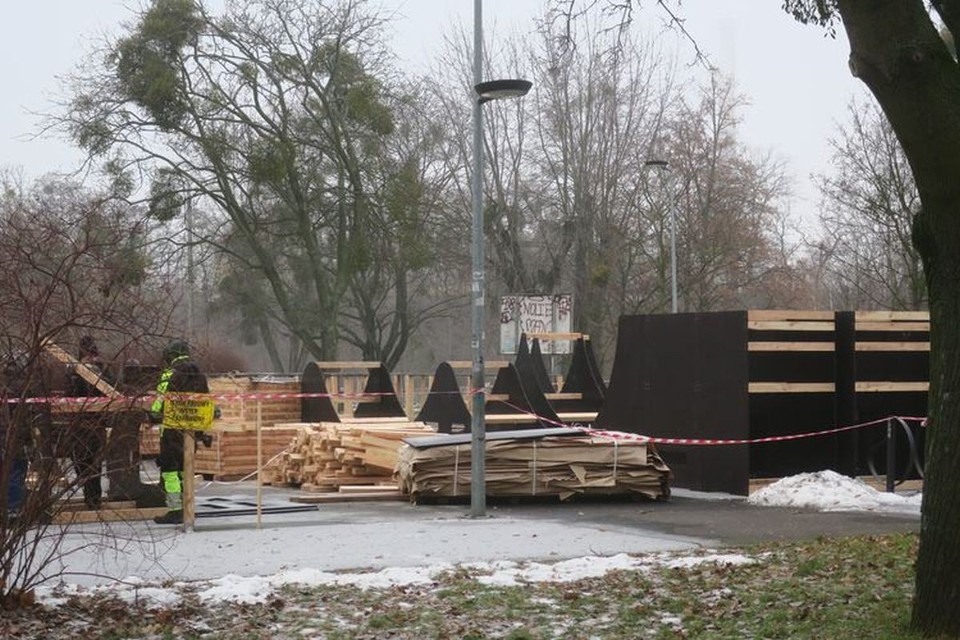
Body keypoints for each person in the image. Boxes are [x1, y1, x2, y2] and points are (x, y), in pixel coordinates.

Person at [149, 339, 210, 525]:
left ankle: (175, 510)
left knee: (170, 471)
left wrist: (152, 413)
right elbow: (205, 401)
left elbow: (159, 402)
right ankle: (188, 507)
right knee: (186, 469)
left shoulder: (170, 374)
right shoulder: (199, 374)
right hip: (192, 430)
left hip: (171, 430)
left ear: (171, 355)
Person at [68, 336, 109, 510]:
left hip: (88, 422)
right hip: (87, 422)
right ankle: (92, 497)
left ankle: (93, 498)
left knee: (89, 462)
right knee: (86, 462)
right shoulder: (75, 371)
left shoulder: (97, 371)